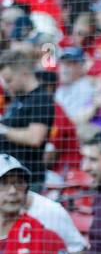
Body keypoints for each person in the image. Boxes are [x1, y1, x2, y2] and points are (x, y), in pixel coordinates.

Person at [0, 49, 53, 191]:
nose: (6, 86)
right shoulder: (18, 99)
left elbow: (35, 137)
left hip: (26, 181)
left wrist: (3, 129)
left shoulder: (41, 99)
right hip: (6, 177)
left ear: (24, 73)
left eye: (9, 80)